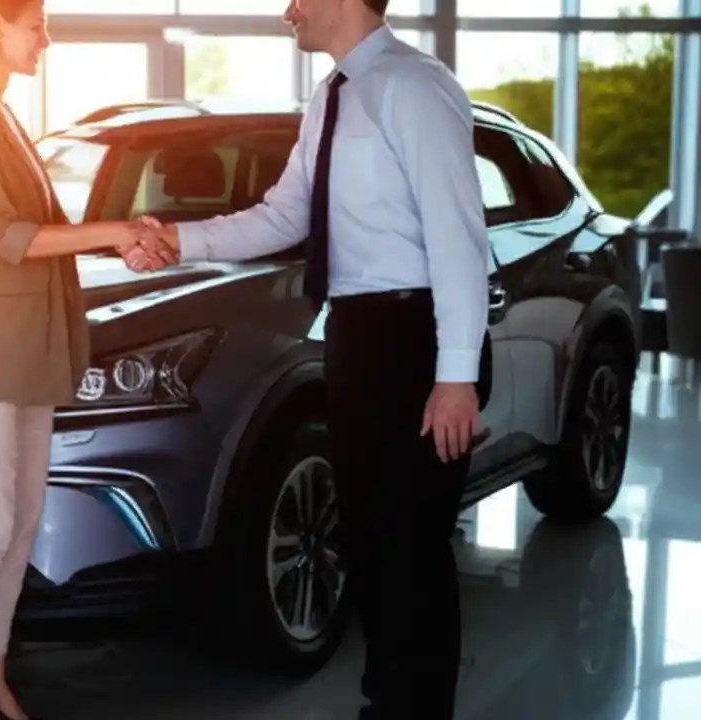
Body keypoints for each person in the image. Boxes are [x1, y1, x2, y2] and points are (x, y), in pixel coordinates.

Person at [128, 1, 490, 718]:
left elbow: (459, 236)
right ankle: (385, 703)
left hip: (415, 341)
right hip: (355, 335)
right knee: (370, 544)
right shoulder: (330, 97)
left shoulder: (414, 87)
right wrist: (179, 240)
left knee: (412, 552)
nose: (287, 9)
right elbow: (284, 216)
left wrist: (456, 376)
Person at [0, 2, 150, 719]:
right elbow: (6, 235)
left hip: (25, 343)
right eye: (36, 24)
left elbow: (43, 231)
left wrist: (118, 239)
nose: (46, 39)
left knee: (21, 521)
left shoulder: (1, 115)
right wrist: (115, 229)